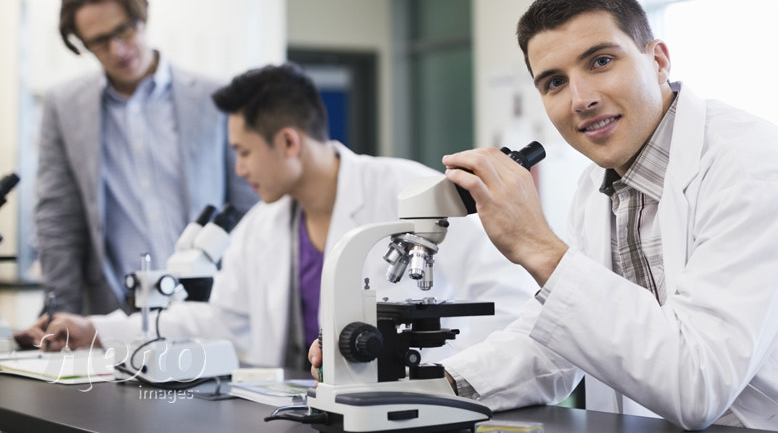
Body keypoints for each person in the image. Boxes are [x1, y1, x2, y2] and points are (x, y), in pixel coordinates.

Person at [313, 0, 778, 431]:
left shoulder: (758, 172)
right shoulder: (604, 183)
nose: (580, 97)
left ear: (658, 59)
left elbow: (698, 383)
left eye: (602, 61)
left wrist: (538, 247)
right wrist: (433, 386)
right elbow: (561, 340)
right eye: (554, 82)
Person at [20, 63, 534, 369]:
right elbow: (220, 322)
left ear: (288, 141)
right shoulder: (263, 226)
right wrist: (97, 329)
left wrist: (434, 377)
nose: (238, 168)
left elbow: (513, 307)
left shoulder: (413, 190)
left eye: (243, 152)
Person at [33, 0, 257, 316]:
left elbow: (249, 209)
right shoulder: (64, 107)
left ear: (142, 16)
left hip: (212, 302)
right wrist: (61, 313)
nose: (118, 49)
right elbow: (57, 218)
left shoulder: (215, 97)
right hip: (114, 310)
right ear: (82, 43)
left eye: (124, 30)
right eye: (99, 41)